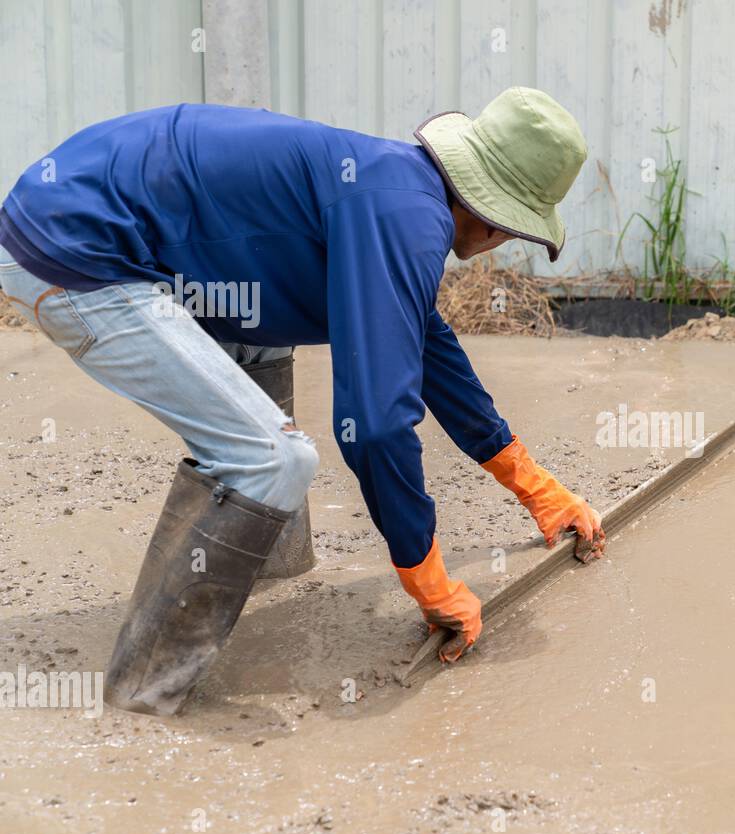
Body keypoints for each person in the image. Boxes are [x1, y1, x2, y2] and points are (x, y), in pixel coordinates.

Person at [0, 87, 604, 716]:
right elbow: (373, 426)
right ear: (493, 214)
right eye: (518, 231)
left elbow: (426, 346)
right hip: (75, 254)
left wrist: (532, 485)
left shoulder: (396, 188)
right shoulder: (407, 218)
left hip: (73, 213)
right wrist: (426, 579)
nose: (508, 242)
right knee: (275, 458)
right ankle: (145, 689)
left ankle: (264, 562)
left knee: (265, 345)